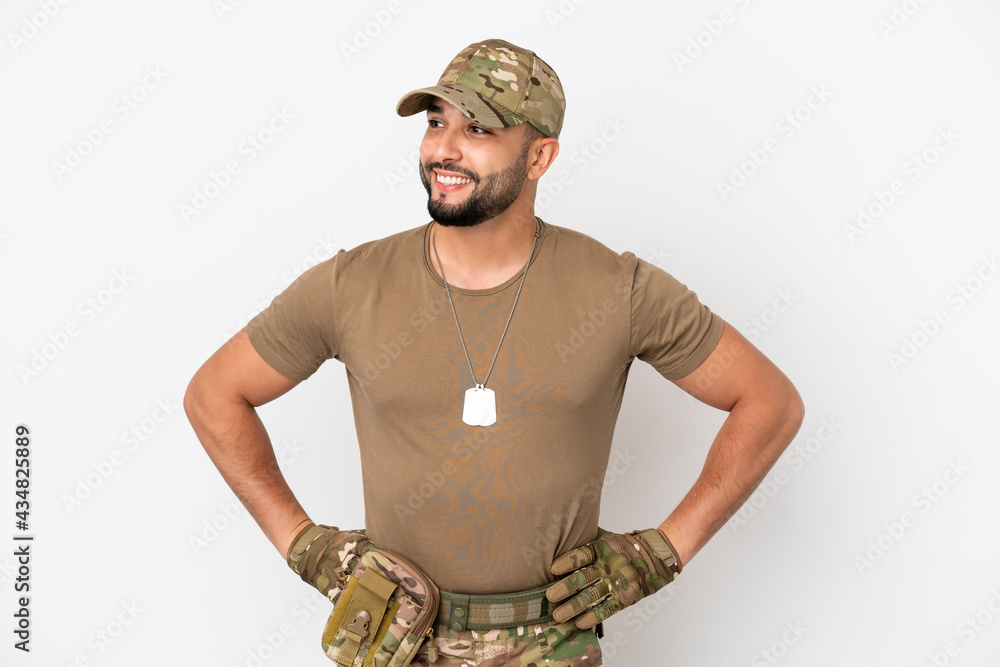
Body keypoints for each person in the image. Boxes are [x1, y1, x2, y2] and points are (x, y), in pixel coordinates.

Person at [184, 38, 804, 666]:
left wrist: (662, 553)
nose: (443, 149)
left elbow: (769, 403)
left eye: (478, 128)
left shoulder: (617, 289)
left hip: (550, 644)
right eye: (435, 123)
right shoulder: (352, 284)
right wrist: (303, 545)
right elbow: (214, 395)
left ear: (540, 156)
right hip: (397, 640)